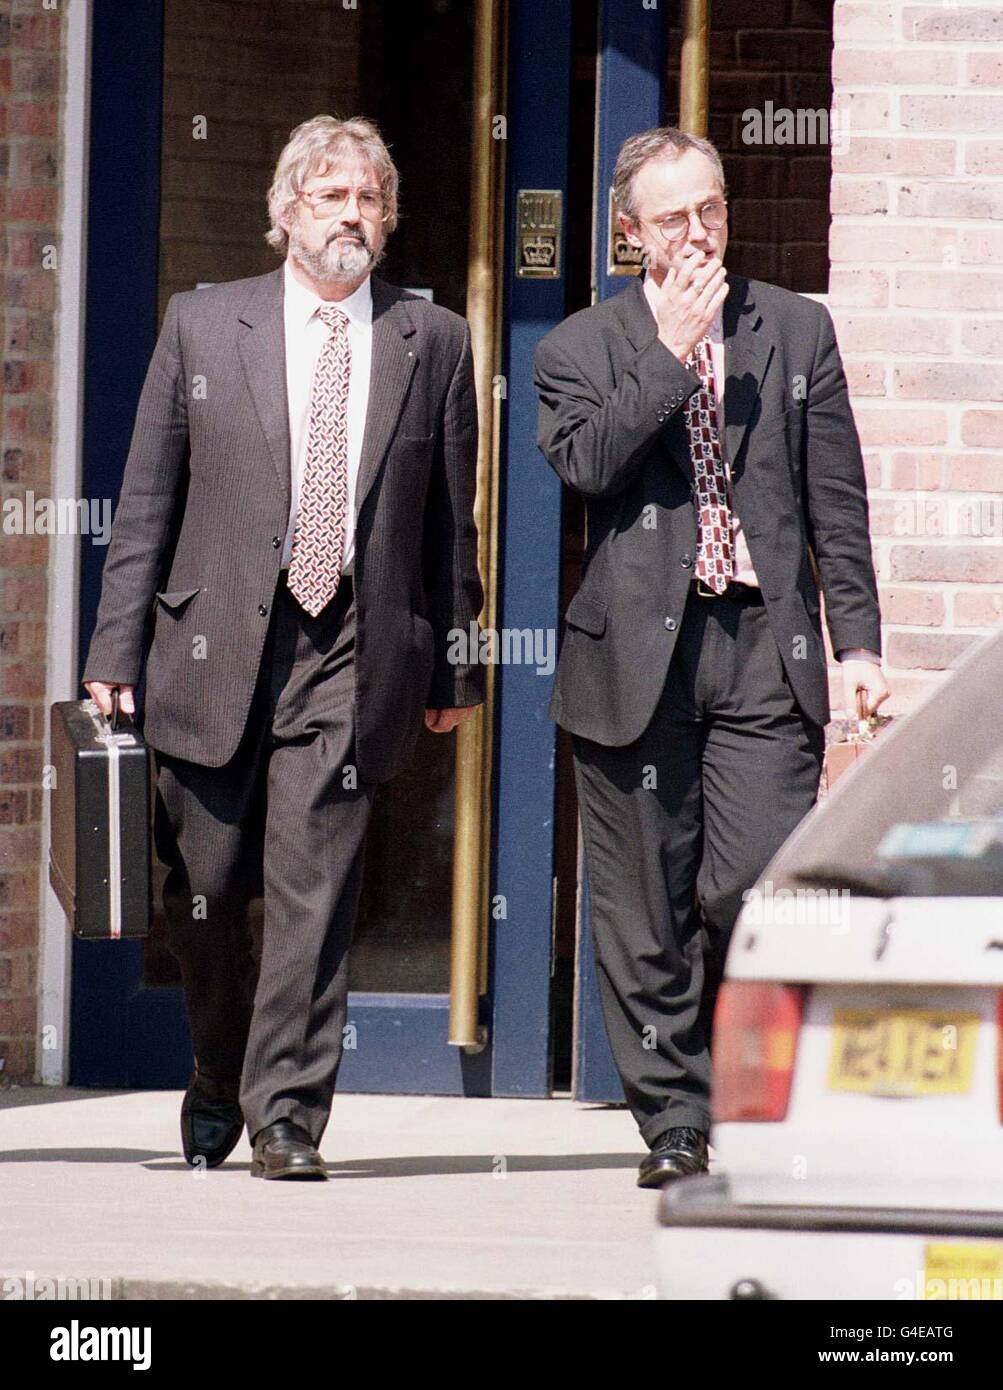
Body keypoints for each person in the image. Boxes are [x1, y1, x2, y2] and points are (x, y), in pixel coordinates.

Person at [83, 115, 485, 1181]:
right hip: (212, 647)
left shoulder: (431, 341)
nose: (352, 214)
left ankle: (288, 1116)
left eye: (369, 199)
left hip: (351, 650)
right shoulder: (205, 328)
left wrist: (456, 663)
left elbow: (454, 520)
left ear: (387, 219)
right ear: (284, 214)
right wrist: (112, 651)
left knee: (316, 892)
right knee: (204, 890)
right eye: (330, 196)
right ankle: (220, 1066)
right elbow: (146, 504)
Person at [534, 126, 889, 1189]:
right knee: (643, 906)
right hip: (635, 659)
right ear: (628, 232)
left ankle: (757, 1090)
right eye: (675, 217)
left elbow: (837, 499)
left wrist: (857, 642)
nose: (699, 232)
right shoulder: (575, 350)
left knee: (750, 886)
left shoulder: (792, 330)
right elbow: (590, 468)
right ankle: (675, 1122)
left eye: (713, 208)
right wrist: (667, 350)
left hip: (758, 647)